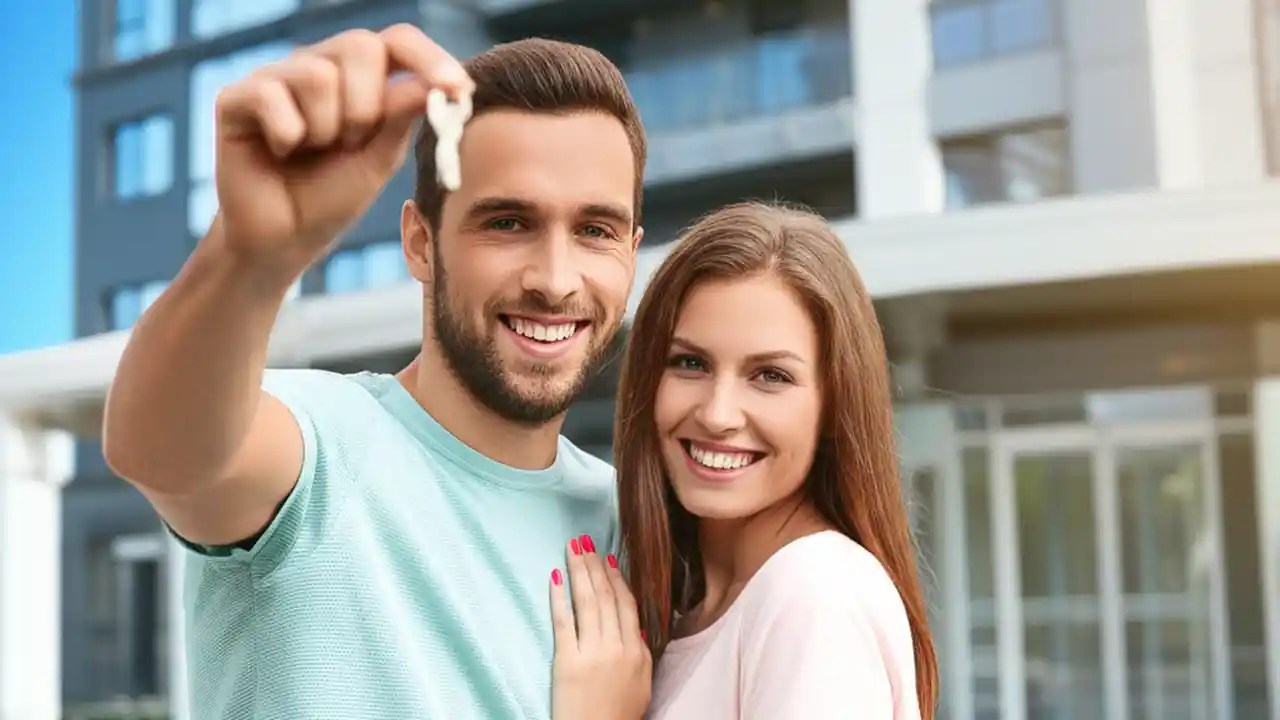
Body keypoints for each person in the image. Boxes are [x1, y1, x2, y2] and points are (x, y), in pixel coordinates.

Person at [102, 23, 650, 720]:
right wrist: (249, 257)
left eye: (595, 231)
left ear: (631, 252)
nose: (554, 278)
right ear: (420, 243)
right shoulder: (323, 448)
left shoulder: (632, 521)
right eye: (507, 223)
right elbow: (166, 452)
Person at [550, 201, 939, 719]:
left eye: (770, 376)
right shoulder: (697, 610)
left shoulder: (812, 593)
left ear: (833, 403)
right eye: (690, 363)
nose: (717, 413)